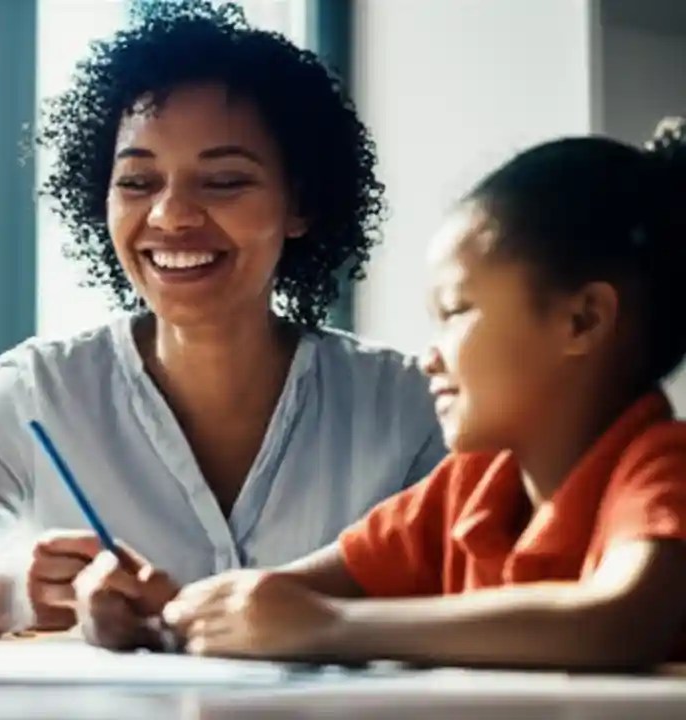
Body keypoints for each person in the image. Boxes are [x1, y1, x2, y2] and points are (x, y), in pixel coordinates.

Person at [0, 0, 443, 635]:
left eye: (223, 182)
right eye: (137, 182)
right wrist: (12, 593)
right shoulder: (42, 392)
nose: (171, 215)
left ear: (301, 204)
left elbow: (491, 594)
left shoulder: (405, 407)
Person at [145, 118, 686, 669]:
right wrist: (158, 615)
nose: (430, 355)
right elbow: (273, 599)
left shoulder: (663, 467)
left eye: (455, 313)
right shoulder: (467, 487)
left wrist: (333, 626)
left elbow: (618, 622)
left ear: (582, 320)